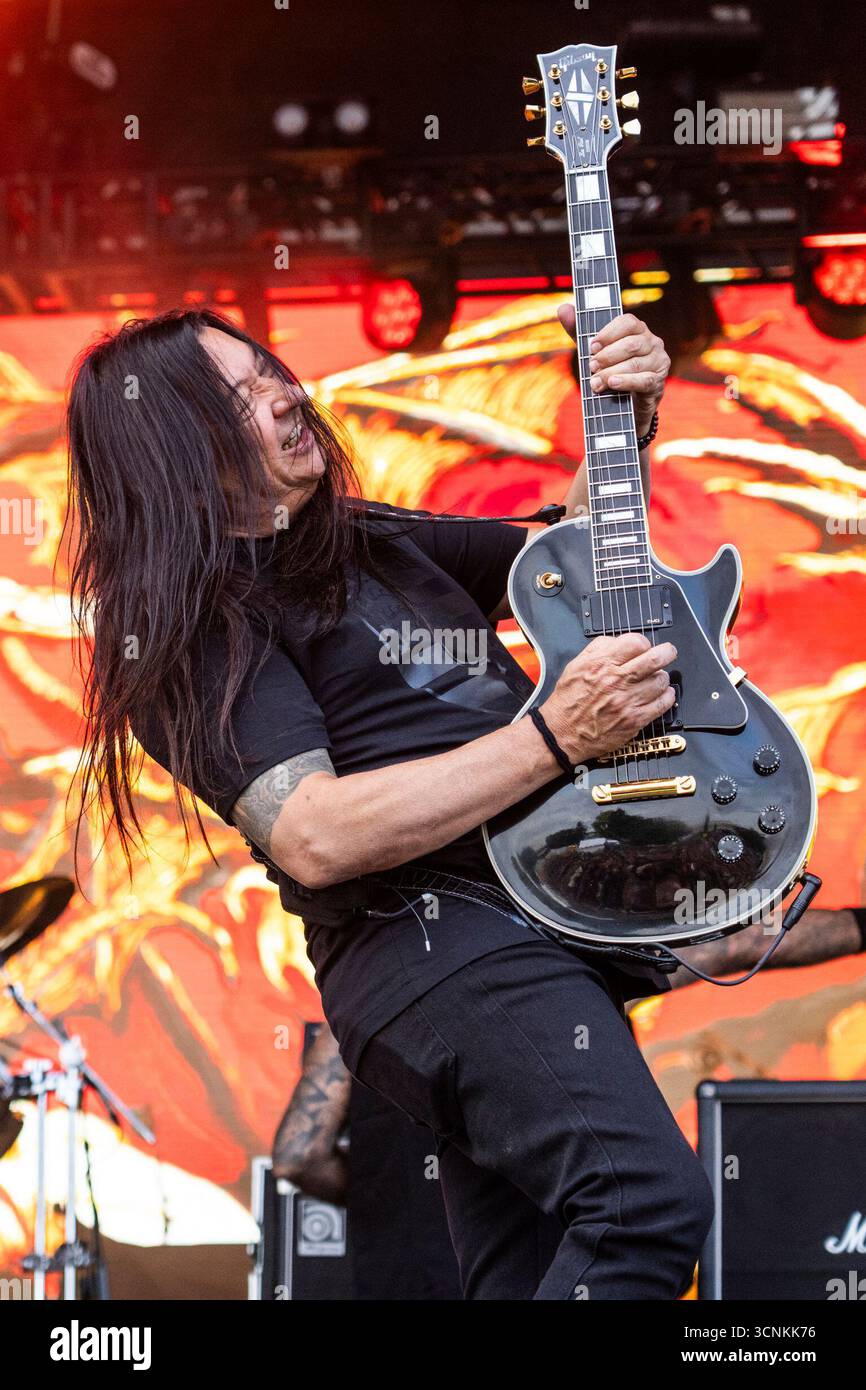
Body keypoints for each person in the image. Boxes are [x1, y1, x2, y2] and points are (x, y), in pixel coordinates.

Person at [66, 301, 718, 1300]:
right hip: (436, 954)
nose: (288, 395)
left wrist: (621, 424)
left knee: (538, 1261)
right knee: (644, 1202)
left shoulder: (369, 540)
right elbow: (315, 833)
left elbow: (584, 572)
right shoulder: (195, 622)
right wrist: (551, 738)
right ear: (180, 448)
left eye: (271, 372)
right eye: (244, 396)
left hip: (523, 931)